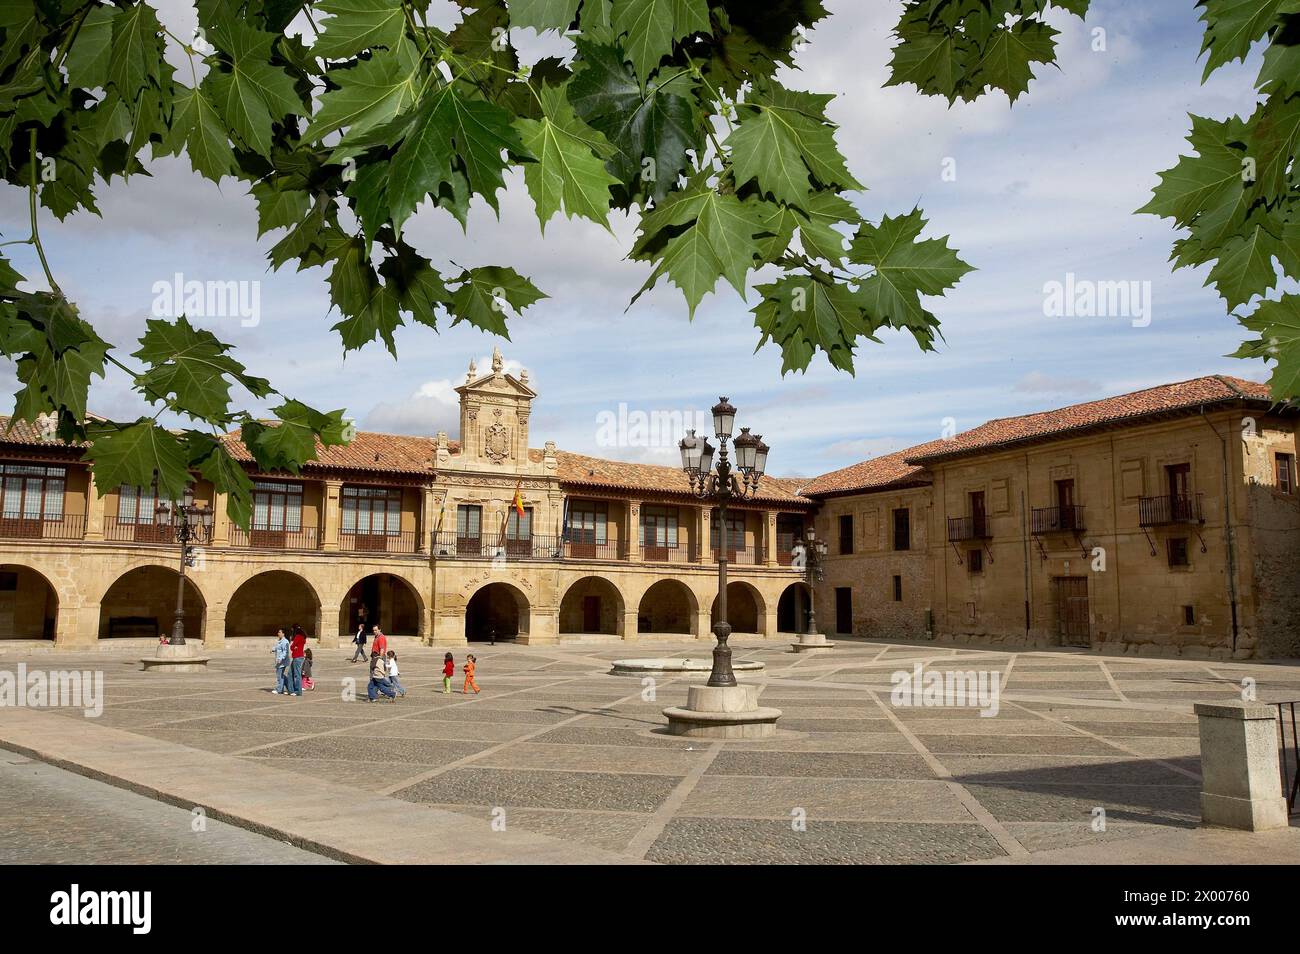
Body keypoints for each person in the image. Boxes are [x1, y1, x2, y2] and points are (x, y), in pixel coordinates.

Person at [288, 624, 308, 696]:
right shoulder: (303, 637)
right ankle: (291, 690)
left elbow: (292, 646)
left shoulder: (298, 636)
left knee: (297, 674)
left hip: (297, 656)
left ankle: (298, 691)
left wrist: (293, 647)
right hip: (300, 656)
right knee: (290, 673)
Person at [271, 629, 290, 695]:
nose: (278, 633)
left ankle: (279, 689)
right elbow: (277, 647)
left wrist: (281, 658)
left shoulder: (285, 641)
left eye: (279, 632)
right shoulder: (279, 640)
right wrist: (273, 649)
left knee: (279, 675)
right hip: (279, 661)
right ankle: (289, 687)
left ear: (283, 633)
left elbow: (286, 651)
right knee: (281, 675)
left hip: (282, 661)